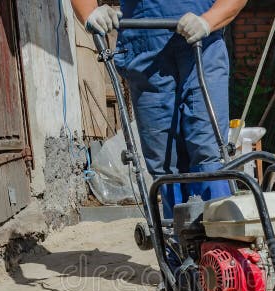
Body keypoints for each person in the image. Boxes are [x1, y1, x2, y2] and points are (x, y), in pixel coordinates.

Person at [71, 0, 247, 219]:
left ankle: (222, 238)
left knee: (208, 148)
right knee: (164, 159)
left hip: (201, 42)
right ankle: (177, 243)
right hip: (145, 49)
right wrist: (90, 13)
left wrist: (208, 21)